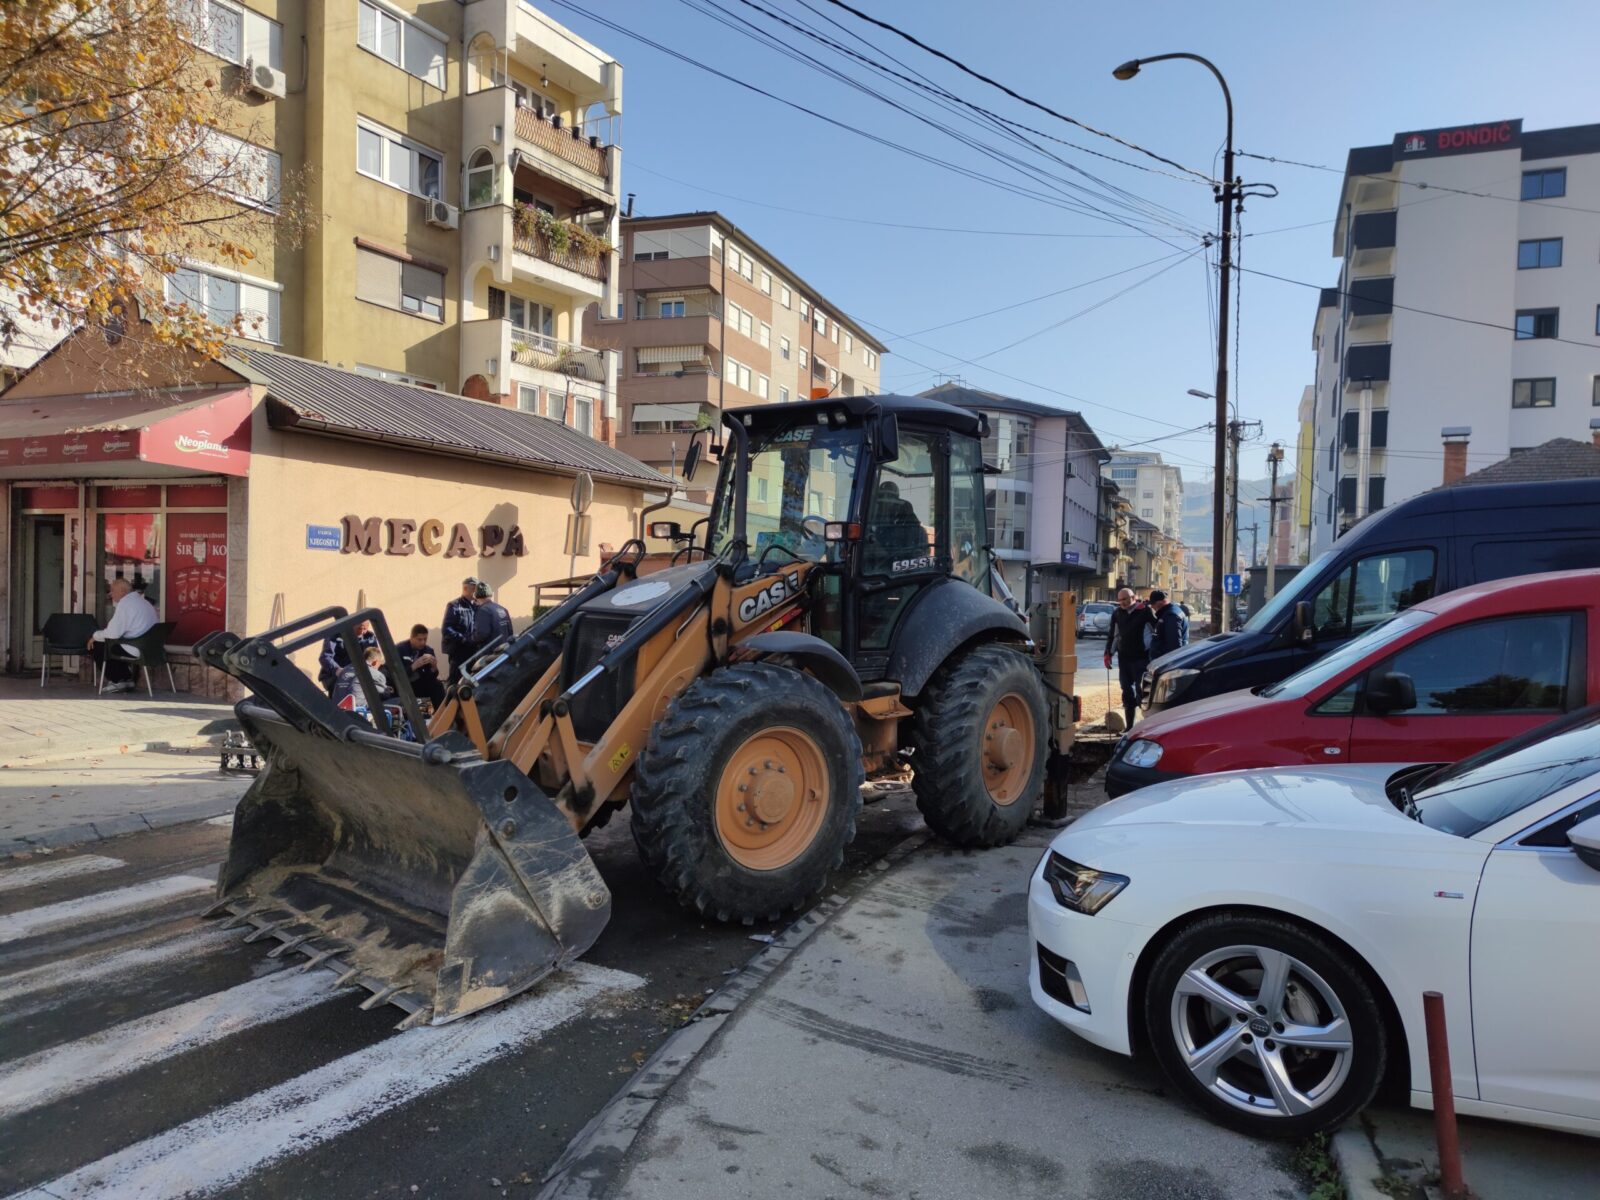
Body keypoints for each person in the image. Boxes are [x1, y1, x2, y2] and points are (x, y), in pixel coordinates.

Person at [89, 577, 159, 693]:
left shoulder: (126, 604)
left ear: (122, 591)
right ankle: (127, 679)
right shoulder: (142, 601)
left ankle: (118, 680)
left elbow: (113, 633)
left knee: (98, 644)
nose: (110, 594)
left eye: (113, 590)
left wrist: (94, 636)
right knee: (112, 644)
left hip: (137, 648)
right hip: (150, 648)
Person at [1102, 587, 1153, 731]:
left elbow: (1156, 633)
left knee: (1142, 691)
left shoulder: (1145, 611)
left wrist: (1153, 652)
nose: (1122, 602)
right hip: (1124, 659)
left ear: (1133, 597)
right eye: (1120, 600)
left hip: (1141, 658)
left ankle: (1144, 726)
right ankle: (1129, 727)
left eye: (1125, 599)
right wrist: (1108, 653)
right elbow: (1113, 635)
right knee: (1126, 690)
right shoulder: (1117, 613)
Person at [317, 619, 377, 694]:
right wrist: (337, 670)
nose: (361, 632)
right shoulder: (335, 635)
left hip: (359, 676)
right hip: (335, 676)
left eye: (365, 629)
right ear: (352, 624)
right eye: (359, 628)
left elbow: (375, 656)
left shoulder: (370, 637)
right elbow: (325, 657)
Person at [396, 623, 446, 708]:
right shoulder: (400, 649)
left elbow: (431, 677)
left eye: (425, 639)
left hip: (420, 683)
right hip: (405, 684)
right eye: (419, 639)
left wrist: (434, 667)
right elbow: (396, 674)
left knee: (438, 685)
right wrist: (414, 666)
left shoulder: (428, 650)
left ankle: (442, 714)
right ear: (411, 637)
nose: (423, 642)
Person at [441, 576, 479, 684]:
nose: (476, 591)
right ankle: (449, 700)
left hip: (474, 650)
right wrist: (463, 639)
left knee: (472, 681)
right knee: (455, 681)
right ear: (465, 588)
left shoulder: (478, 605)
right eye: (473, 588)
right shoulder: (454, 605)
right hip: (459, 650)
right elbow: (446, 629)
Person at [467, 582, 513, 662]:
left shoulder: (483, 610)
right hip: (503, 653)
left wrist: (470, 638)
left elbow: (481, 634)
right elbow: (510, 631)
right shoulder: (502, 609)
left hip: (489, 657)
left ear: (476, 596)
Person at [1147, 589, 1190, 659]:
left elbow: (1174, 645)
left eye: (1153, 603)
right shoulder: (1171, 611)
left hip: (1166, 661)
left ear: (1161, 602)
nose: (1152, 606)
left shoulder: (1171, 616)